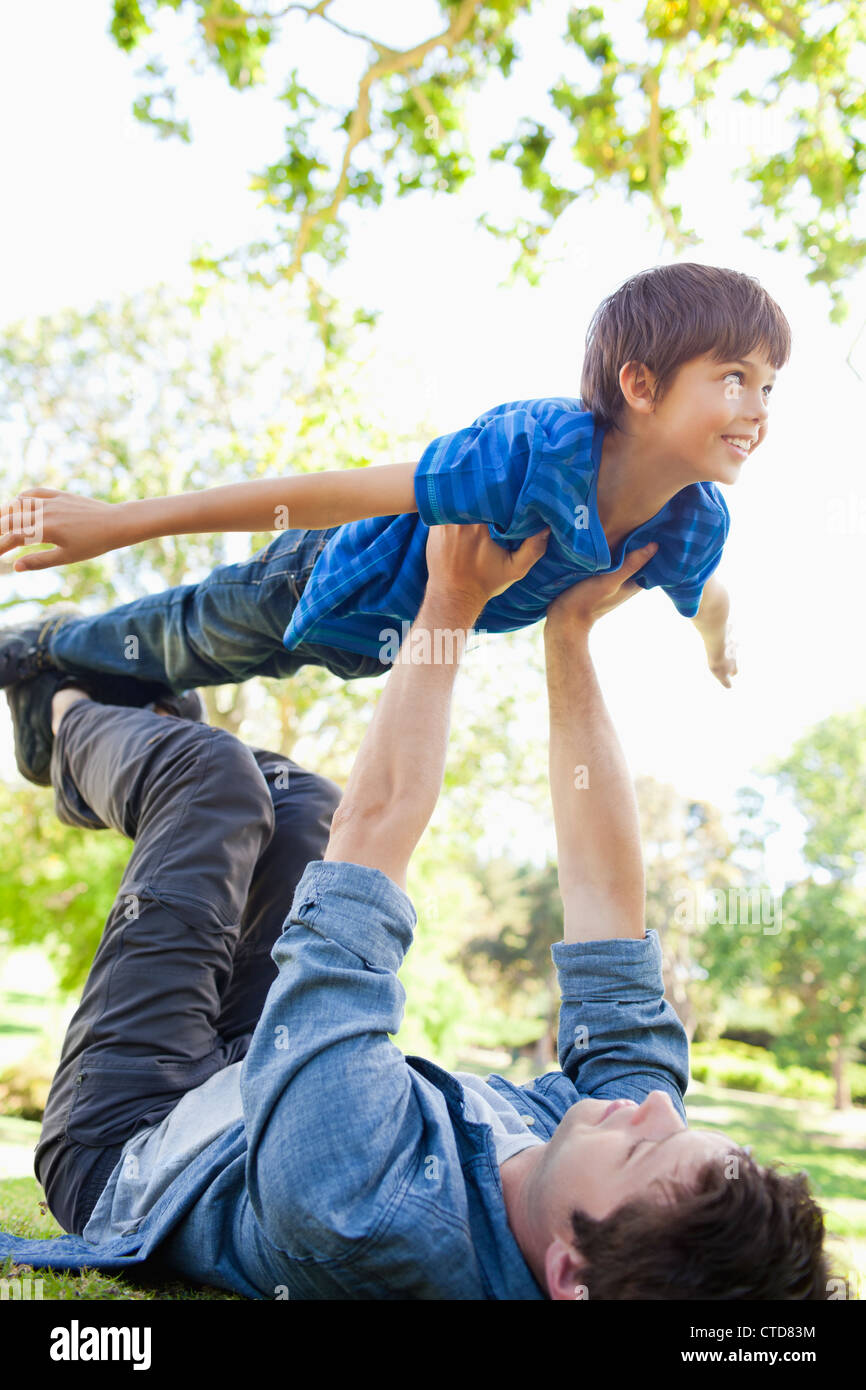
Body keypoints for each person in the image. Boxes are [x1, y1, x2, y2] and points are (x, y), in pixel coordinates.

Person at [0, 525, 831, 1299]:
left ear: (570, 1275)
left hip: (135, 1138)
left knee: (212, 784)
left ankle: (58, 714)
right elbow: (608, 906)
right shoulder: (629, 1180)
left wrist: (449, 601)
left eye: (648, 1142)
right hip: (262, 1070)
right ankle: (132, 711)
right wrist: (570, 633)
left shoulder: (361, 1205)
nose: (655, 1109)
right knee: (302, 808)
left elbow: (376, 834)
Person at [0, 266, 790, 765]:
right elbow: (343, 491)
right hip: (316, 576)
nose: (757, 407)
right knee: (188, 631)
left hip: (381, 641)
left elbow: (705, 593)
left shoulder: (692, 523)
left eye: (769, 386)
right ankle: (40, 644)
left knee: (201, 666)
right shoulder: (534, 452)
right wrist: (120, 522)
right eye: (734, 377)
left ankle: (63, 684)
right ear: (642, 387)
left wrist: (719, 653)